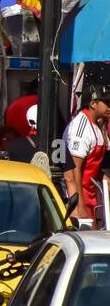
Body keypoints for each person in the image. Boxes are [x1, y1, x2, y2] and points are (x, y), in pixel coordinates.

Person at [62, 87, 110, 222]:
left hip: (91, 193)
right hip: (79, 195)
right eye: (107, 103)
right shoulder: (81, 128)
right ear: (93, 104)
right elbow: (74, 170)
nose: (109, 107)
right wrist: (80, 206)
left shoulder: (97, 125)